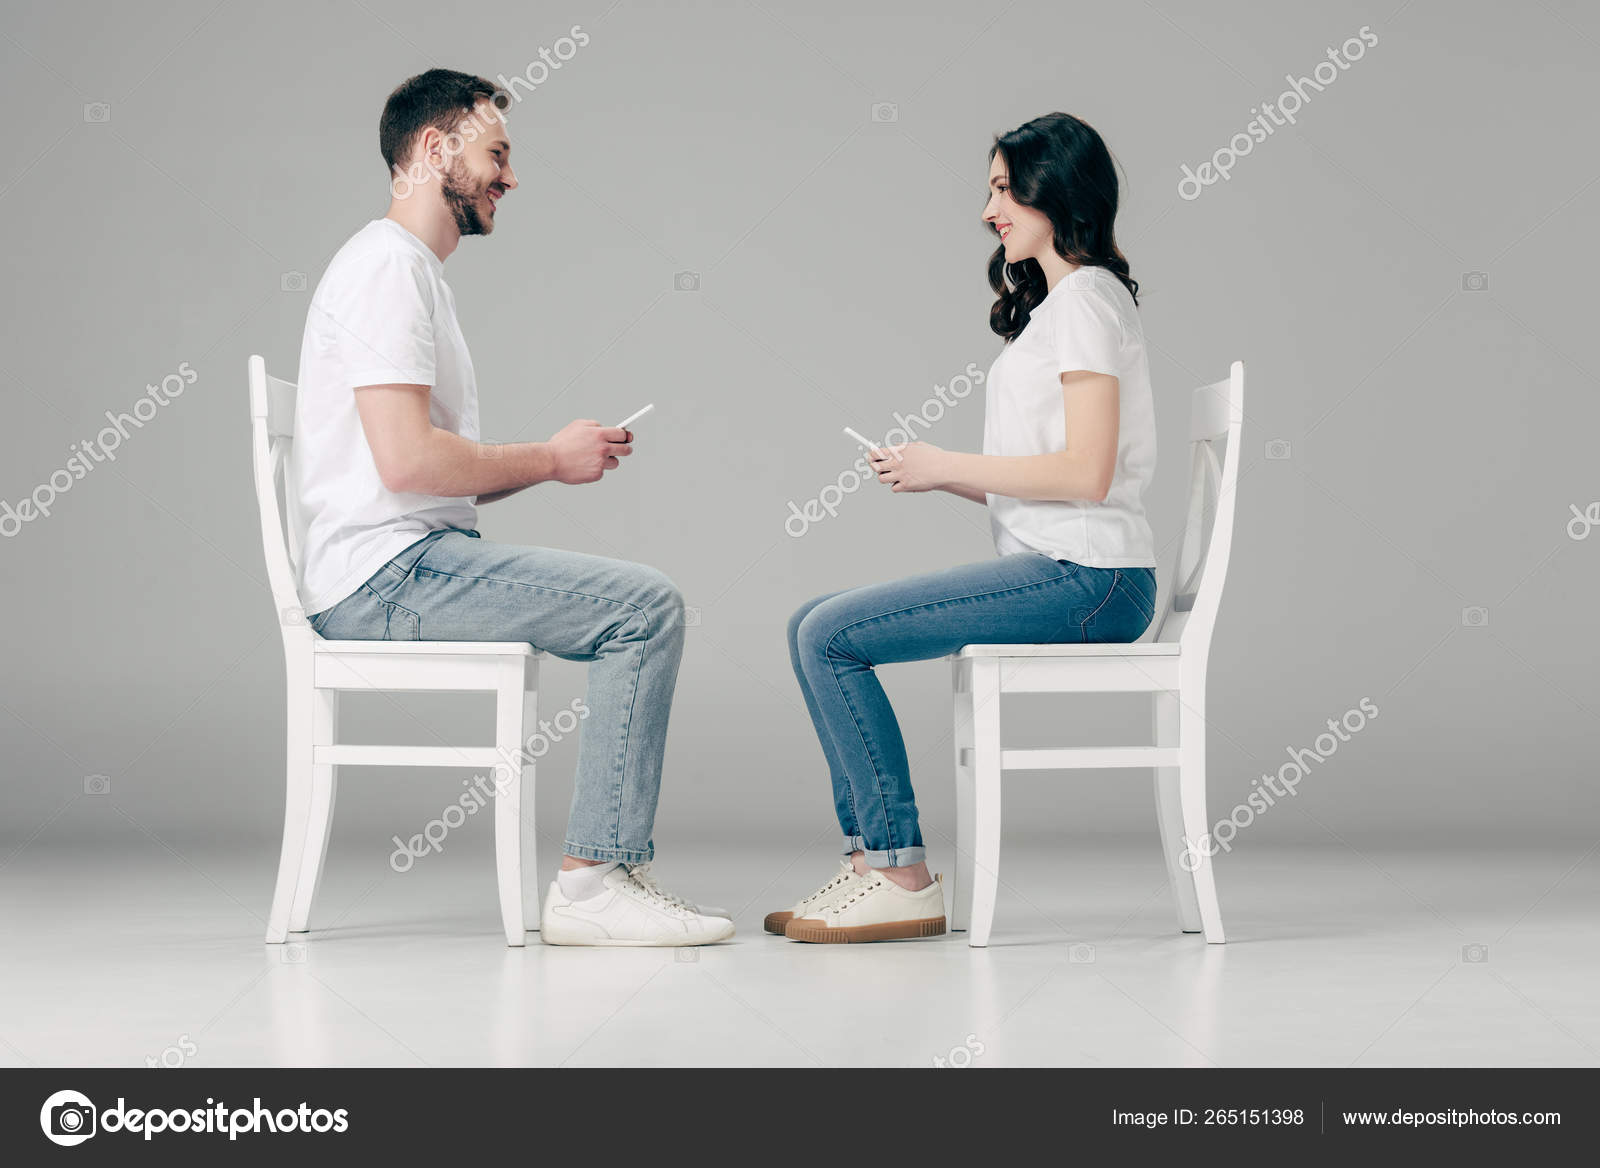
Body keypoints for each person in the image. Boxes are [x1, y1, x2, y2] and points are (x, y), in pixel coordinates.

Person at [290, 69, 731, 946]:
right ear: (433, 149)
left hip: (398, 564)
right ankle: (594, 889)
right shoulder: (387, 269)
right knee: (644, 609)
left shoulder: (408, 271)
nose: (510, 177)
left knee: (641, 605)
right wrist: (546, 457)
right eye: (498, 154)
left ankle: (598, 880)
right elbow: (409, 460)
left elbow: (418, 469)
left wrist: (555, 463)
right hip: (385, 578)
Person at [772, 113, 1159, 944]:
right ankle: (871, 865)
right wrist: (931, 473)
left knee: (831, 634)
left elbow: (1086, 473)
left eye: (1002, 189)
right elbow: (1043, 481)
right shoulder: (1063, 305)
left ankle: (900, 871)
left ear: (1055, 188)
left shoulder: (1087, 300)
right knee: (812, 622)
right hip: (1069, 566)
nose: (989, 210)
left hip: (1092, 579)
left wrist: (947, 464)